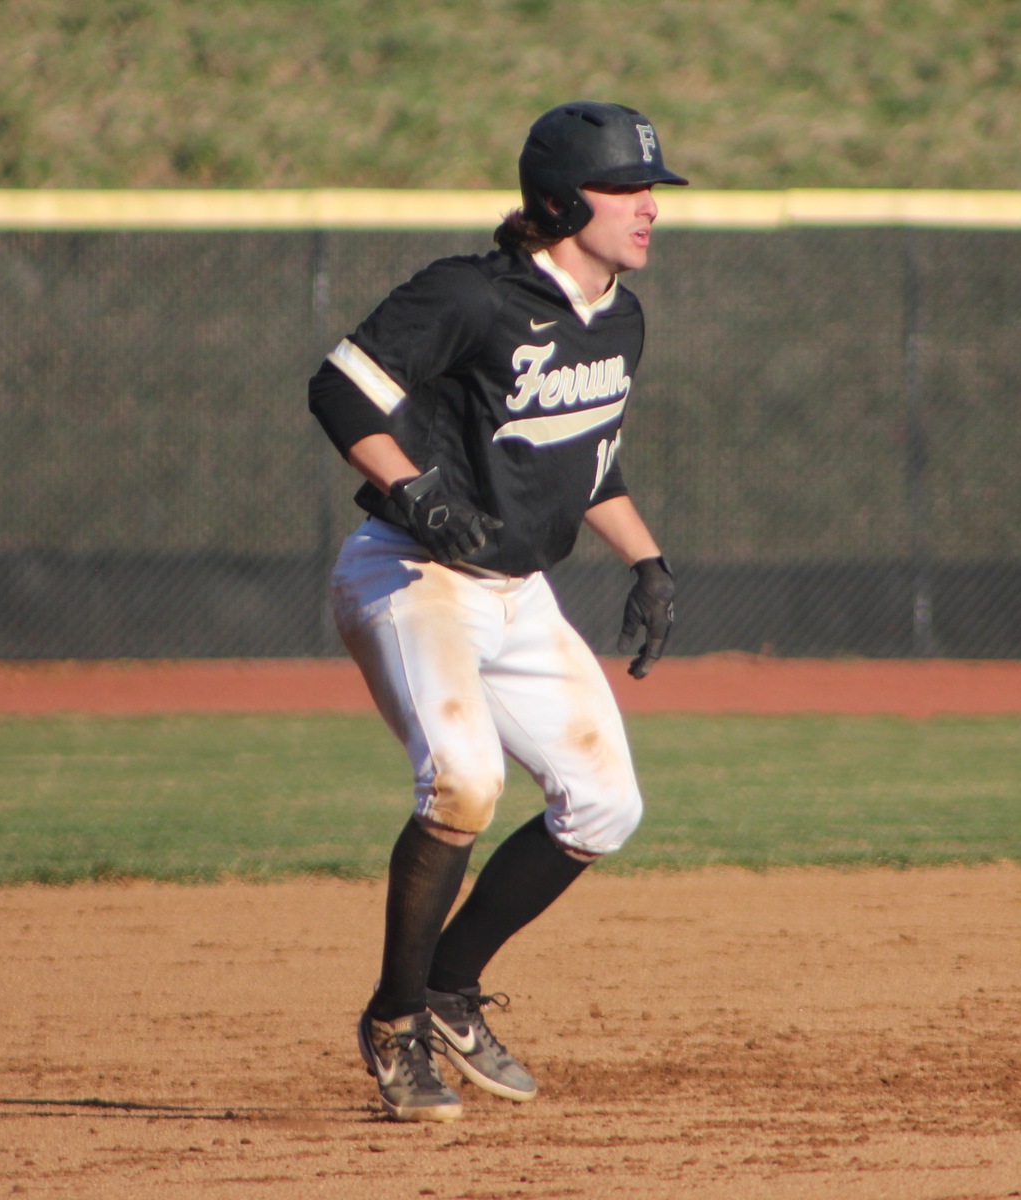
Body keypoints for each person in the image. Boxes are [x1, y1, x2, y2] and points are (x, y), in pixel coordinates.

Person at [306, 101, 686, 1123]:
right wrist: (408, 490)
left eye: (653, 189)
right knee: (465, 784)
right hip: (410, 574)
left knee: (605, 805)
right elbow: (341, 392)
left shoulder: (621, 319)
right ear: (564, 202)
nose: (649, 207)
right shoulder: (470, 296)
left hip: (518, 592)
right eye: (626, 190)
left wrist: (645, 559)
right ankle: (394, 1020)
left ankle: (448, 986)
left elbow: (588, 463)